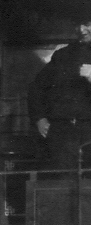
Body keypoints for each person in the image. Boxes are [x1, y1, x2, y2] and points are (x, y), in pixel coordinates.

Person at [28, 14, 91, 171]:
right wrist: (39, 118)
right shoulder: (63, 55)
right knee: (62, 183)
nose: (82, 30)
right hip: (63, 133)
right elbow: (37, 87)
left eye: (88, 24)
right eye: (79, 24)